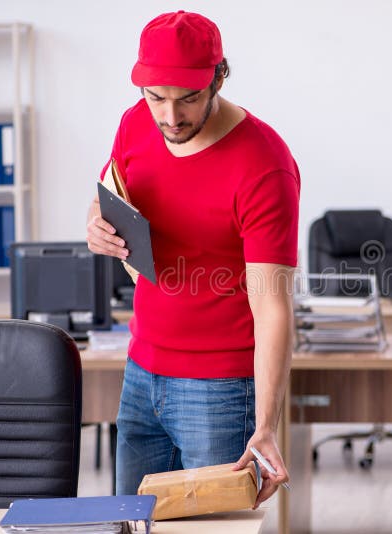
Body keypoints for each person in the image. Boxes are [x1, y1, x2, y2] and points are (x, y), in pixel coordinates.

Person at [85, 11, 299, 508]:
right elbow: (109, 200)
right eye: (156, 97)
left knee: (211, 526)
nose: (171, 117)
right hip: (141, 370)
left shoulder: (264, 166)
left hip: (219, 391)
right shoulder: (135, 124)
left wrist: (266, 426)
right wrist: (95, 226)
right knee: (135, 522)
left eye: (188, 98)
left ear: (219, 77)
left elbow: (273, 309)